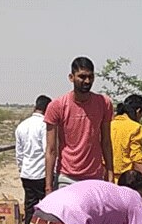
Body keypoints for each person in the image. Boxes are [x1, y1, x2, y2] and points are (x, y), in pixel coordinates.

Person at [44, 57, 114, 193]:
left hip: (94, 177)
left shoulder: (104, 103)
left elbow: (106, 142)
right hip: (67, 176)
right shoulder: (57, 106)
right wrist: (48, 187)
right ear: (71, 77)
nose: (87, 81)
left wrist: (110, 175)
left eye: (90, 77)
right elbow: (51, 149)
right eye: (82, 77)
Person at [15, 95, 52, 224]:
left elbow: (19, 153)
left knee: (29, 205)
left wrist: (21, 168)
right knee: (48, 206)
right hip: (41, 174)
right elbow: (47, 150)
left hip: (26, 173)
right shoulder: (45, 125)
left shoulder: (21, 126)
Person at [110, 95, 142, 181]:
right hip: (124, 181)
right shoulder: (135, 127)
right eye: (141, 116)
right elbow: (136, 158)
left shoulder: (109, 124)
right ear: (138, 111)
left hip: (105, 177)